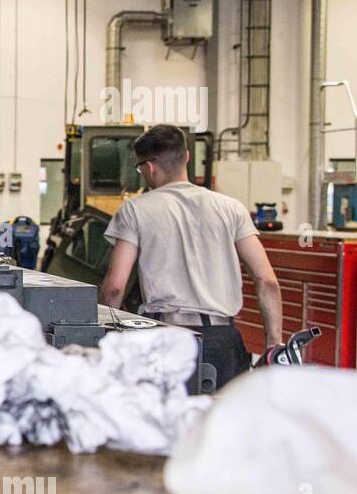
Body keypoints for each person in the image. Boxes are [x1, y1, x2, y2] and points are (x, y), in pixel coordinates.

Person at [100, 124, 283, 389]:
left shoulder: (135, 210)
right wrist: (273, 344)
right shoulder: (231, 208)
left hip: (168, 339)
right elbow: (266, 280)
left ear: (149, 167)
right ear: (186, 156)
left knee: (166, 424)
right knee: (220, 425)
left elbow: (115, 286)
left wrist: (101, 337)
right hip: (224, 342)